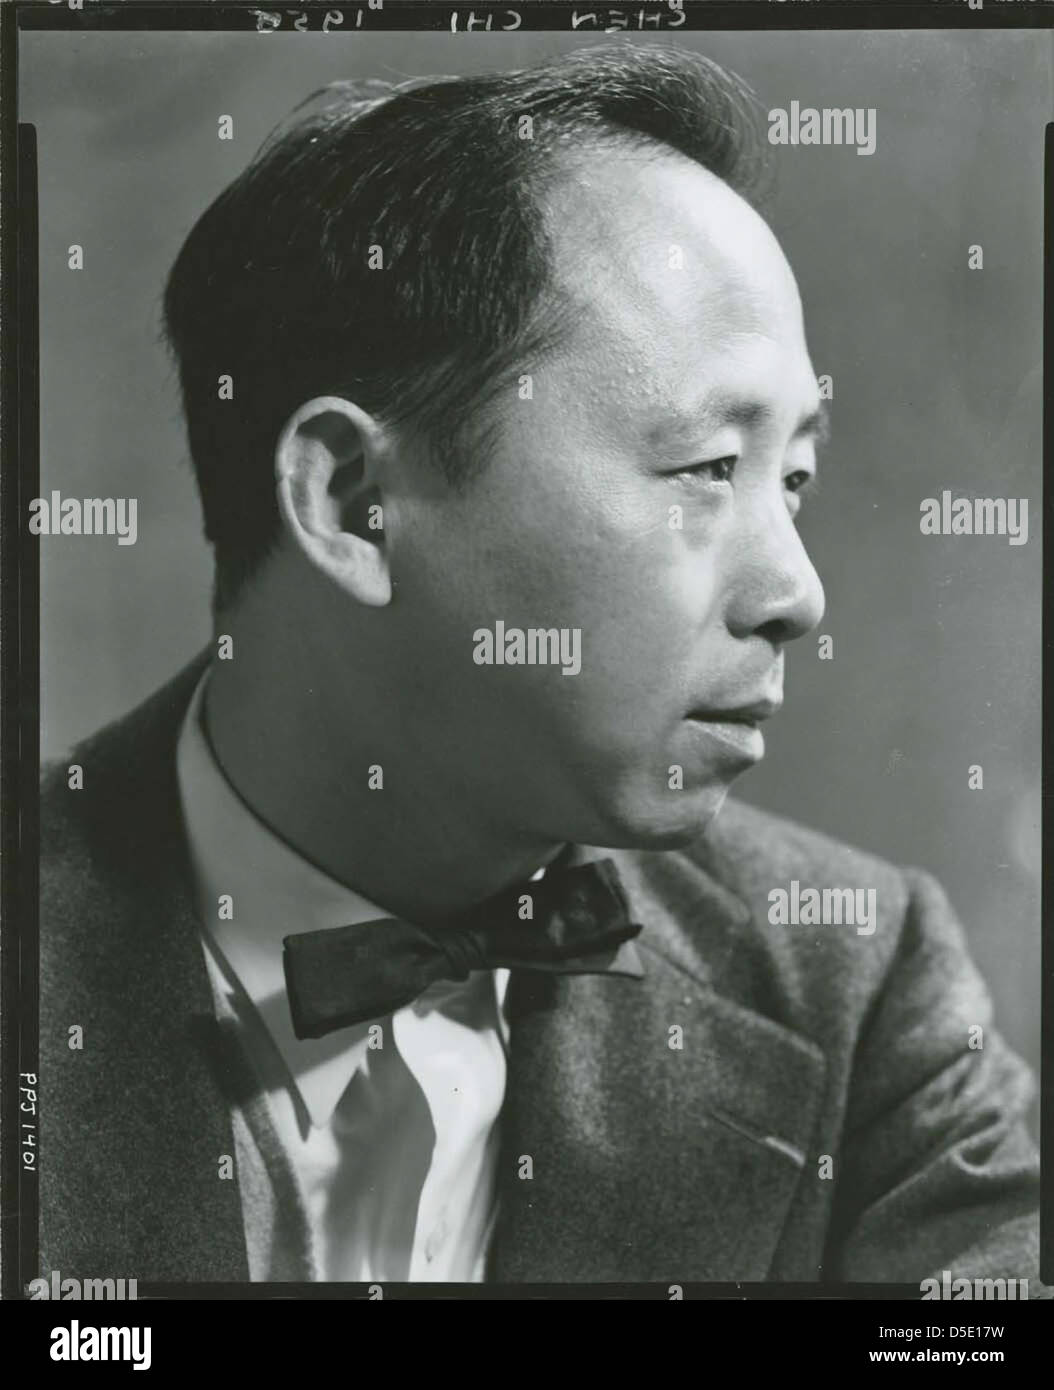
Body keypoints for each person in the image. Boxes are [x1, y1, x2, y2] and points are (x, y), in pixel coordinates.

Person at [39, 43, 1044, 1289]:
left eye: (793, 481)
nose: (797, 593)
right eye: (705, 470)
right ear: (356, 502)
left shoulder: (857, 990)